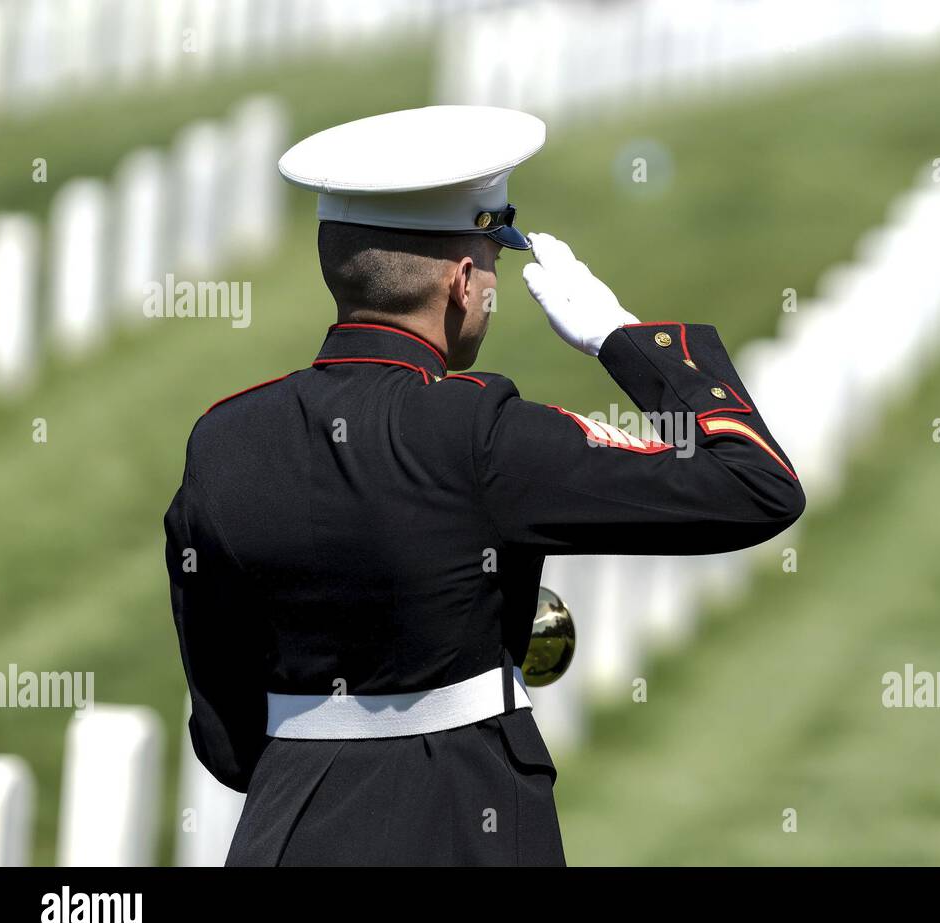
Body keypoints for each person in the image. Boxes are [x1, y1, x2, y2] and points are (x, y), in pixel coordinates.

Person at [164, 105, 805, 866]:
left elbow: (224, 720)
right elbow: (757, 486)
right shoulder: (480, 432)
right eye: (492, 261)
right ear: (464, 283)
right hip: (467, 822)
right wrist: (627, 341)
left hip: (287, 825)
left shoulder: (224, 437)